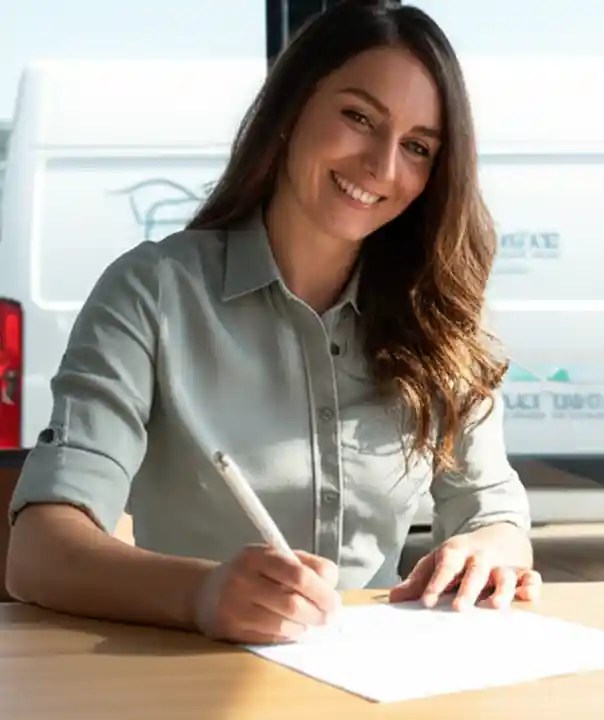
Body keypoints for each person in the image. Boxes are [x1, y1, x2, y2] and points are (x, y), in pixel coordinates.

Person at [5, 0, 541, 645]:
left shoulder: (440, 314)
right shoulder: (153, 291)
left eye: (419, 147)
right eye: (358, 117)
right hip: (186, 675)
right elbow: (38, 551)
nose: (383, 166)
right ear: (291, 110)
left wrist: (488, 551)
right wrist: (202, 594)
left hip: (380, 676)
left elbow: (495, 510)